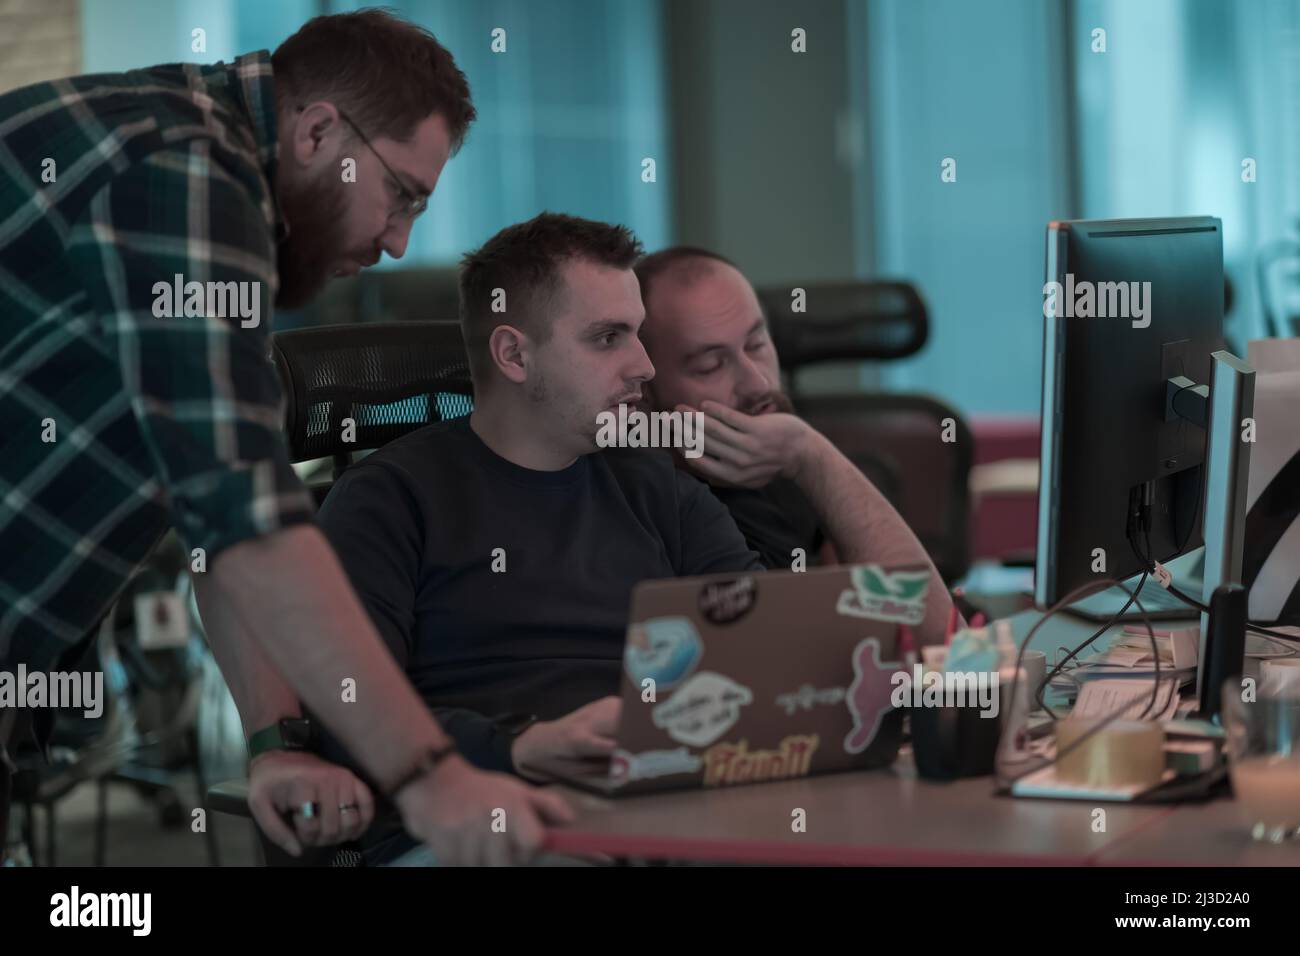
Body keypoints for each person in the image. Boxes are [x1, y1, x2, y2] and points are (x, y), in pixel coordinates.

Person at [0, 9, 569, 866]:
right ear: (316, 131)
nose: (399, 240)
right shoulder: (184, 170)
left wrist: (274, 742)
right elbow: (248, 526)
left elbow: (219, 509)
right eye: (402, 195)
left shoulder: (199, 177)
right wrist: (431, 778)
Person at [314, 213, 765, 864]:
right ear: (514, 354)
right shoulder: (388, 502)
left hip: (660, 813)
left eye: (637, 334)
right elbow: (346, 715)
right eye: (608, 338)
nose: (643, 366)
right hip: (472, 823)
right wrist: (518, 748)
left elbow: (767, 647)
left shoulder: (658, 489)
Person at [634, 246, 959, 647]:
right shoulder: (653, 511)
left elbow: (933, 637)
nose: (757, 383)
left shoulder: (781, 454)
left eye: (756, 344)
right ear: (645, 392)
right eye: (710, 365)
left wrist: (812, 457)